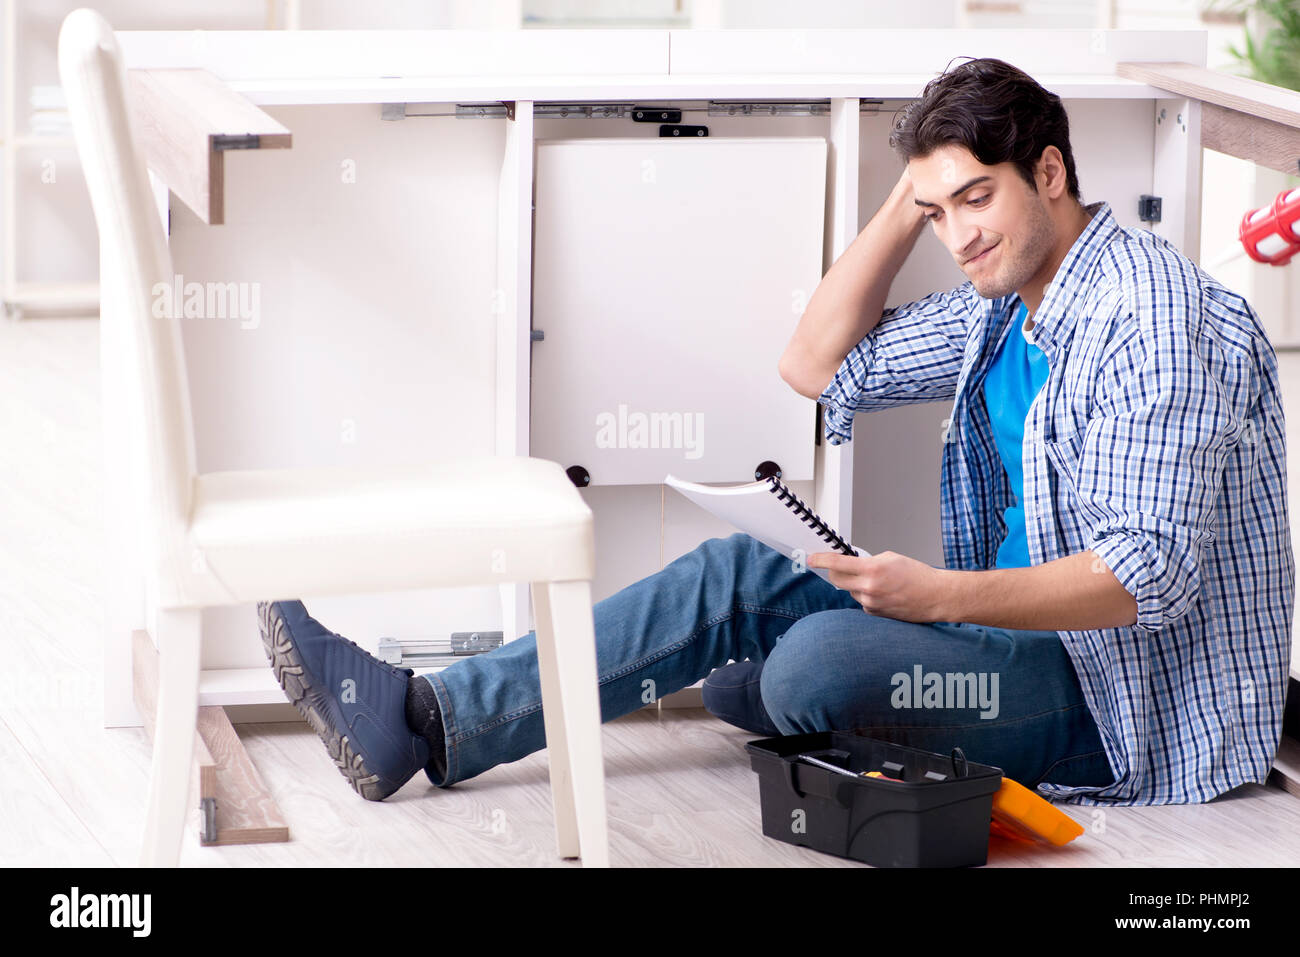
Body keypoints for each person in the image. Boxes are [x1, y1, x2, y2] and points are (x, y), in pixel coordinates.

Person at [259, 57, 1293, 809]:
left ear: (1052, 174)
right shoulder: (1004, 297)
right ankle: (425, 719)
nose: (960, 232)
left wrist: (931, 596)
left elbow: (1141, 578)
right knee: (731, 589)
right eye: (939, 211)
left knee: (795, 675)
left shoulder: (1148, 317)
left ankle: (834, 674)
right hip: (1008, 637)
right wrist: (905, 205)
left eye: (977, 196)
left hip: (1113, 698)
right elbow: (814, 367)